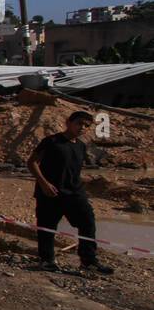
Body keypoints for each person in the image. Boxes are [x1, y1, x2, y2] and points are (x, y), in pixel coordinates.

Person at [29, 111, 114, 274]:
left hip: (74, 192)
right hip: (49, 192)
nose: (82, 127)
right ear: (68, 122)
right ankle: (46, 260)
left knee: (87, 221)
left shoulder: (81, 145)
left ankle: (88, 260)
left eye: (86, 126)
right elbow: (32, 162)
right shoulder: (51, 141)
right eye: (79, 123)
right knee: (47, 227)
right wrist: (44, 183)